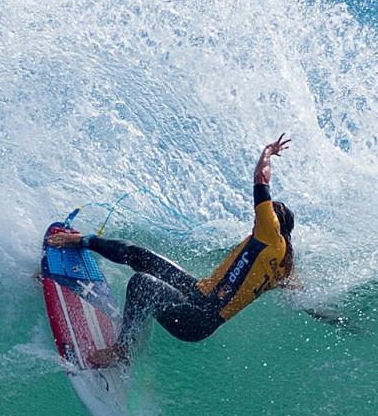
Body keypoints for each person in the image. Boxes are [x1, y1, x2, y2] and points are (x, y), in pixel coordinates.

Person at [47, 135, 298, 366]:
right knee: (140, 255)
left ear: (275, 221)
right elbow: (300, 293)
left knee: (142, 284)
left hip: (198, 319)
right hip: (199, 292)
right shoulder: (283, 263)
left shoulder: (269, 232)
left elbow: (261, 179)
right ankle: (84, 241)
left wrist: (267, 152)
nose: (255, 221)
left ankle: (123, 350)